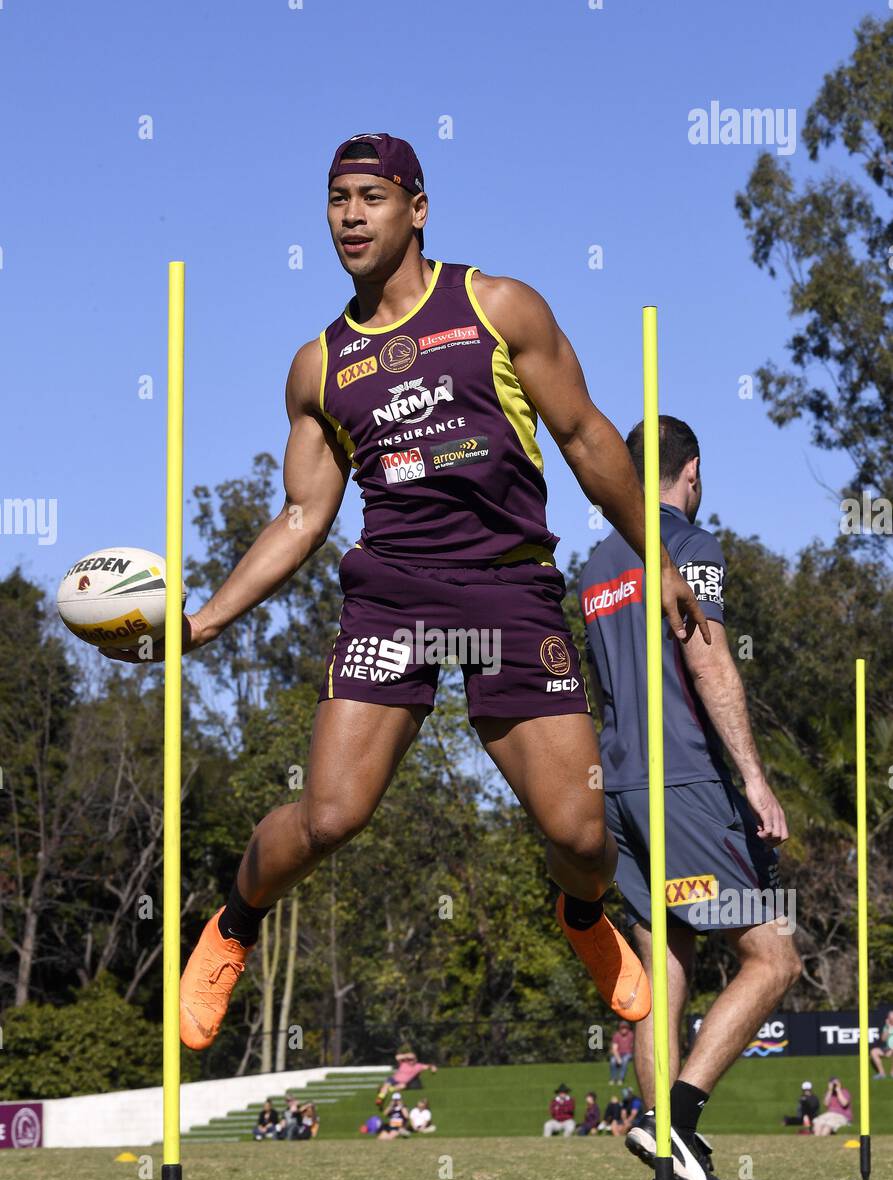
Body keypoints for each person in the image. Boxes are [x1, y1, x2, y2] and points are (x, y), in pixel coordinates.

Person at [101, 133, 707, 1051]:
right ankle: (231, 923)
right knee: (332, 815)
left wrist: (655, 557)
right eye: (337, 198)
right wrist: (201, 622)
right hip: (393, 599)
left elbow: (586, 438)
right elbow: (303, 517)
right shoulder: (320, 365)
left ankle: (582, 917)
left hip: (509, 595)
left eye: (371, 197)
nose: (350, 214)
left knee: (583, 839)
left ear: (416, 209)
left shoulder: (497, 306)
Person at [579, 416, 801, 1180]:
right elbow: (705, 657)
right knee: (772, 956)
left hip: (618, 791)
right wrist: (753, 777)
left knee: (661, 975)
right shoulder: (688, 549)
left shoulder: (596, 564)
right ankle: (678, 1126)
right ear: (693, 472)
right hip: (687, 782)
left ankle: (670, 1179)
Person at [870, 1009, 893, 1078]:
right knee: (873, 1052)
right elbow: (883, 1039)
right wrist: (888, 1027)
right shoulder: (887, 1027)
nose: (892, 1019)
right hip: (887, 1048)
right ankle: (882, 1073)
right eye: (890, 1017)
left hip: (891, 1049)